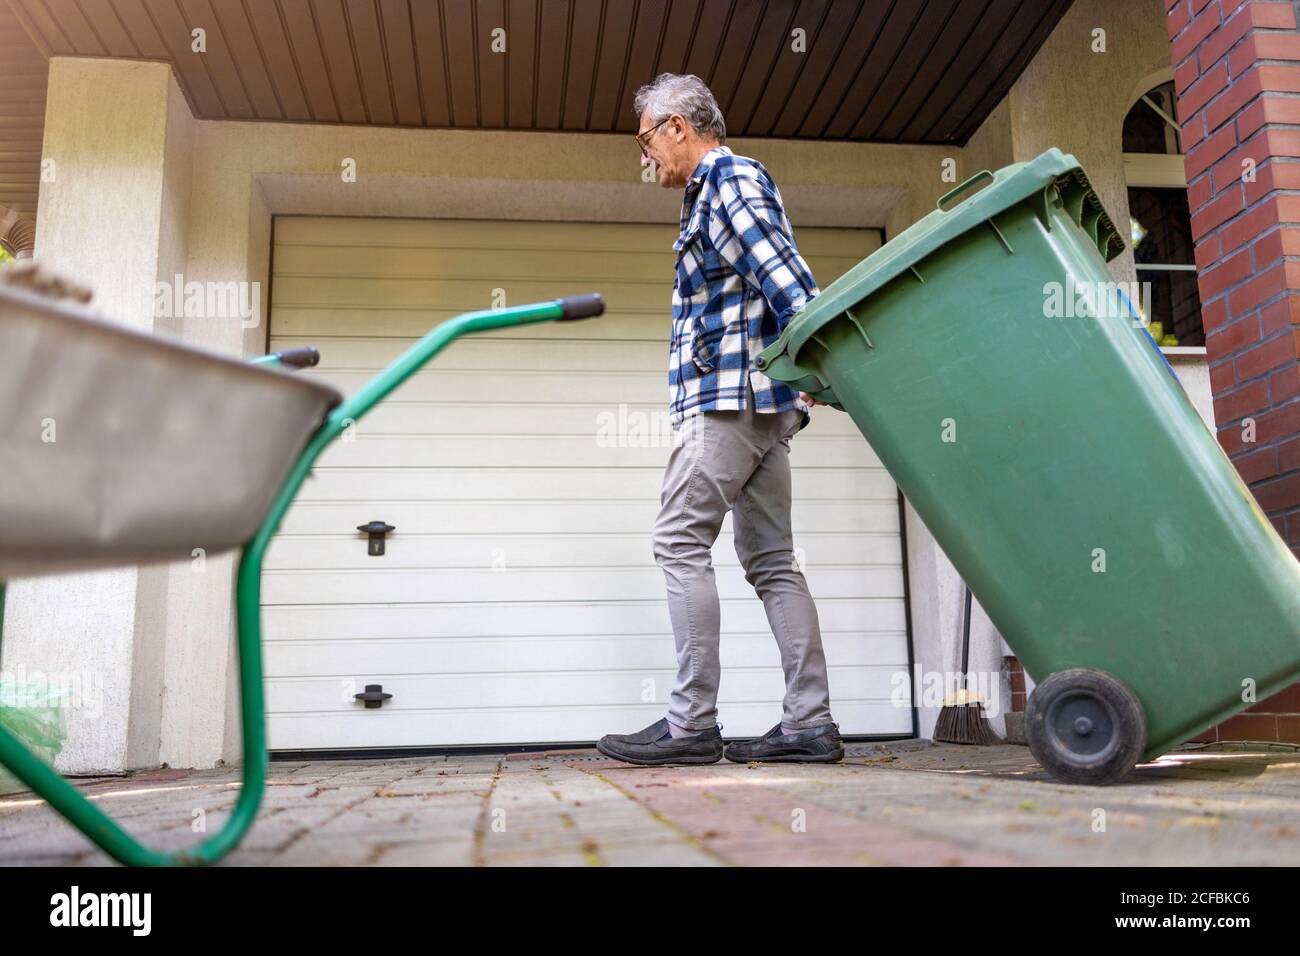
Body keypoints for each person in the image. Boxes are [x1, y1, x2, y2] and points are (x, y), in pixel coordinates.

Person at [596, 73, 842, 766]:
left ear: (678, 126)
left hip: (730, 403)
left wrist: (819, 359)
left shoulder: (728, 180)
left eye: (646, 140)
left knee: (679, 541)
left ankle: (690, 724)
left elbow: (788, 278)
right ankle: (809, 724)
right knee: (772, 562)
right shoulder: (716, 192)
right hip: (764, 407)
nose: (646, 157)